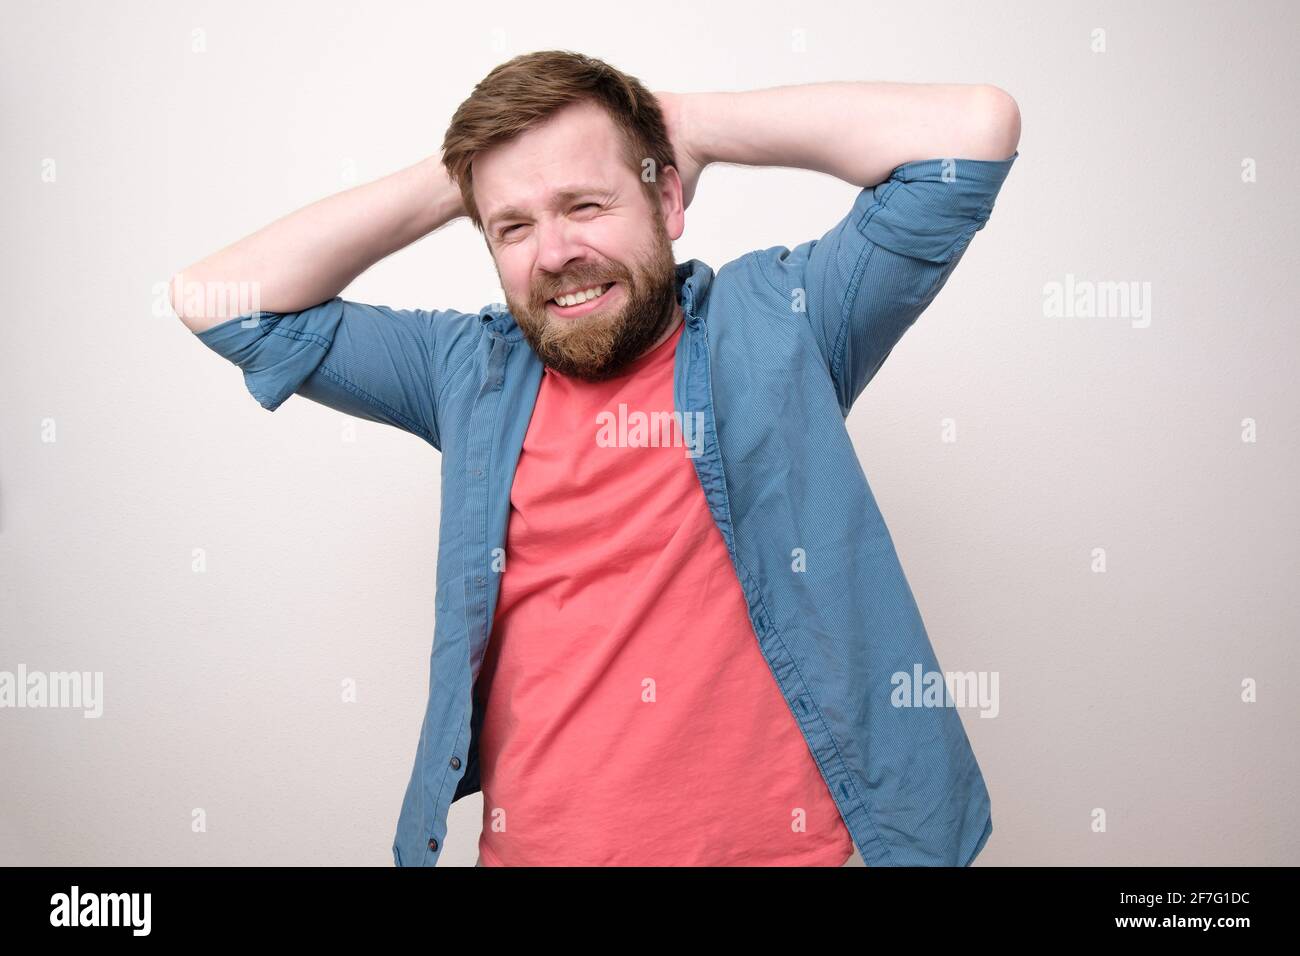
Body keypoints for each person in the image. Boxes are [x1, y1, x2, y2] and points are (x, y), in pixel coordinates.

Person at [172, 51, 1020, 867]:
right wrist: (464, 176)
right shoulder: (463, 372)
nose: (553, 255)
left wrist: (688, 121)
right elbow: (215, 299)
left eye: (585, 205)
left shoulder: (784, 322)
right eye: (512, 226)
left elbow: (975, 131)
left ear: (668, 199)